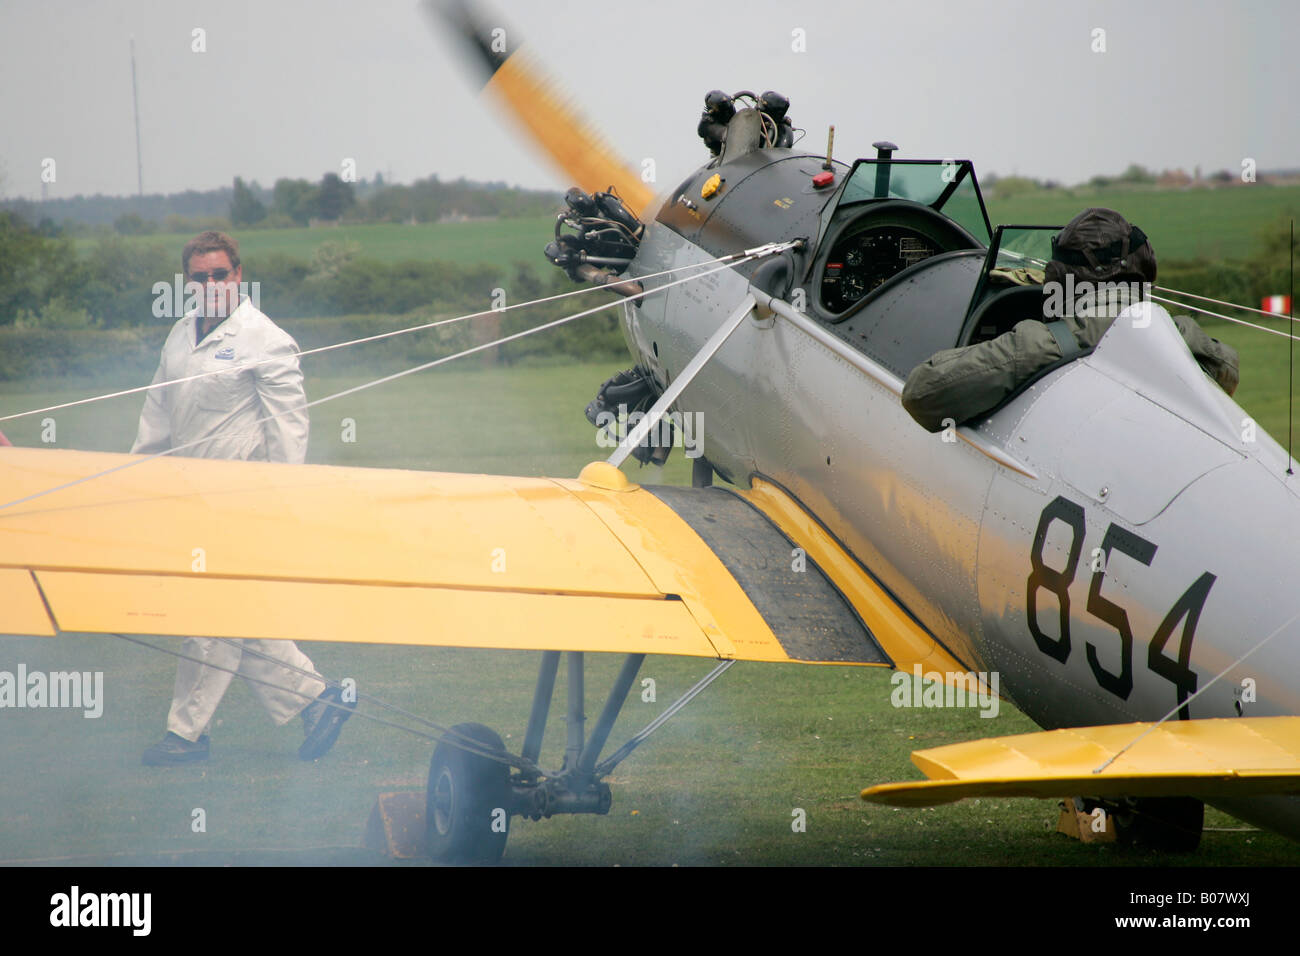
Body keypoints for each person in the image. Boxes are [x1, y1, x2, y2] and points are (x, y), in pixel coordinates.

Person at [133, 230, 352, 765]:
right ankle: (317, 698)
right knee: (232, 613)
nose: (211, 284)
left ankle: (186, 736)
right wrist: (134, 480)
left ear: (238, 276)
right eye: (200, 276)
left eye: (220, 274)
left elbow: (289, 427)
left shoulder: (264, 337)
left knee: (212, 615)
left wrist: (281, 501)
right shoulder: (180, 336)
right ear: (189, 281)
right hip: (190, 498)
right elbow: (157, 417)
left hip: (243, 501)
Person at [901, 208, 1239, 432]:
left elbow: (921, 393)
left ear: (1063, 280)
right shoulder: (1183, 339)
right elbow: (1227, 366)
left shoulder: (1038, 345)